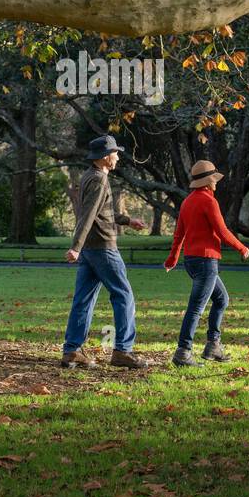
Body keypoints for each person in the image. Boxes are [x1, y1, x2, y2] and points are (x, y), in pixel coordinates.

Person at [60, 135, 150, 369]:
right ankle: (123, 350)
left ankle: (72, 351)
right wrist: (75, 247)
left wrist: (128, 221)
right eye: (115, 153)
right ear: (104, 157)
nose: (118, 157)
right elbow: (88, 215)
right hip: (102, 248)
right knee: (124, 295)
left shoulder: (90, 175)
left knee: (83, 300)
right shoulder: (99, 180)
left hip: (91, 249)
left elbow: (102, 212)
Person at [163, 160, 249, 367]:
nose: (216, 184)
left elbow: (179, 235)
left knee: (222, 300)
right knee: (196, 308)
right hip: (206, 261)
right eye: (215, 180)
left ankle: (213, 346)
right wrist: (242, 247)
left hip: (191, 261)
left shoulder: (187, 202)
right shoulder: (209, 202)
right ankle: (183, 352)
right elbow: (222, 231)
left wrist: (172, 259)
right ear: (209, 182)